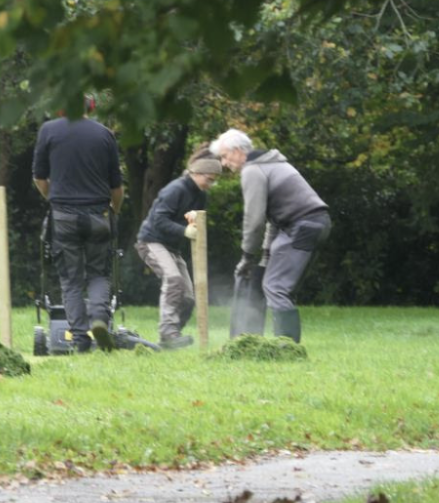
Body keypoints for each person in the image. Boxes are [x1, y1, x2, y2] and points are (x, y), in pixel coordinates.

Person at [211, 129, 330, 343]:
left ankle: (287, 347)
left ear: (237, 151)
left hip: (301, 226)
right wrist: (264, 257)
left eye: (224, 156)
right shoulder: (271, 164)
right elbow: (273, 219)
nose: (224, 163)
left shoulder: (253, 170)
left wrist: (248, 256)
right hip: (315, 223)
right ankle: (283, 343)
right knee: (280, 287)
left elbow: (254, 219)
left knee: (276, 287)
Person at [32, 97, 123, 353]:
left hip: (63, 216)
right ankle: (99, 320)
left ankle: (81, 339)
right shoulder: (104, 134)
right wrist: (114, 211)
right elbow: (116, 186)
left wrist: (55, 200)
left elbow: (39, 178)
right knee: (98, 273)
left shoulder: (48, 131)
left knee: (71, 279)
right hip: (98, 214)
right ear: (90, 109)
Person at [135, 144, 222, 349]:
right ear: (196, 172)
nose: (210, 184)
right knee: (174, 280)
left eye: (213, 180)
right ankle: (168, 333)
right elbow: (158, 220)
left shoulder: (200, 195)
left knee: (188, 298)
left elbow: (194, 219)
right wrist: (184, 231)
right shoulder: (175, 189)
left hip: (172, 247)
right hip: (151, 241)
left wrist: (194, 221)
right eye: (208, 179)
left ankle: (172, 338)